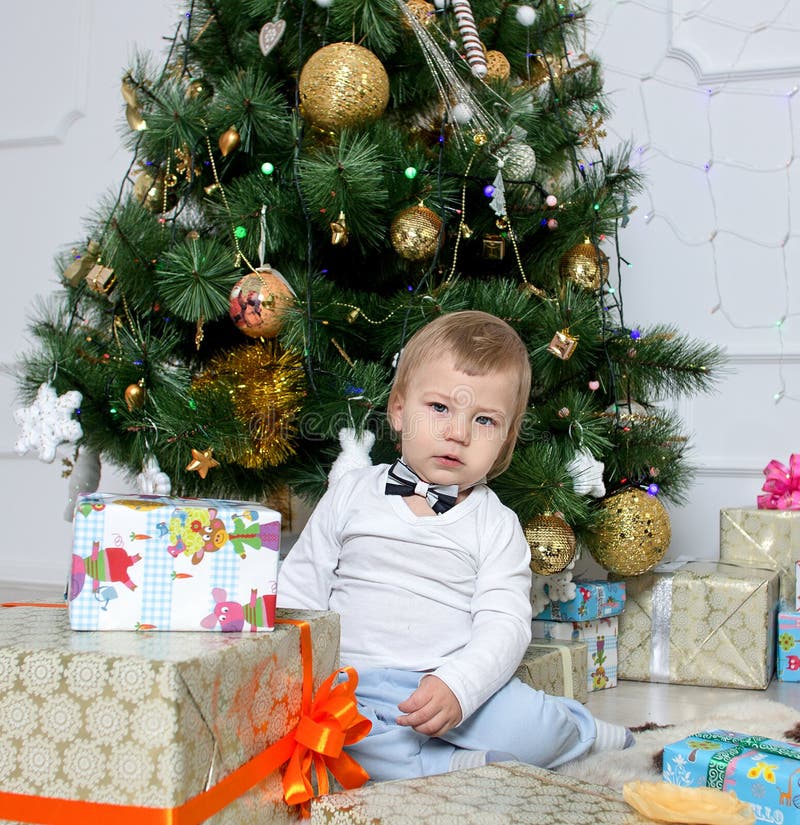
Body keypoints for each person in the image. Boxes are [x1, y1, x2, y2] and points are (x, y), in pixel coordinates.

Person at [277, 310, 632, 781]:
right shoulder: (350, 493)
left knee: (530, 726)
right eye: (440, 408)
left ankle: (580, 731)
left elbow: (504, 624)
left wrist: (459, 686)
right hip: (351, 681)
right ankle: (443, 766)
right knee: (330, 744)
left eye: (484, 420)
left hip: (451, 680)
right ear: (399, 409)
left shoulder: (497, 524)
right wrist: (304, 677)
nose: (458, 433)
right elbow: (299, 589)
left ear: (505, 440)